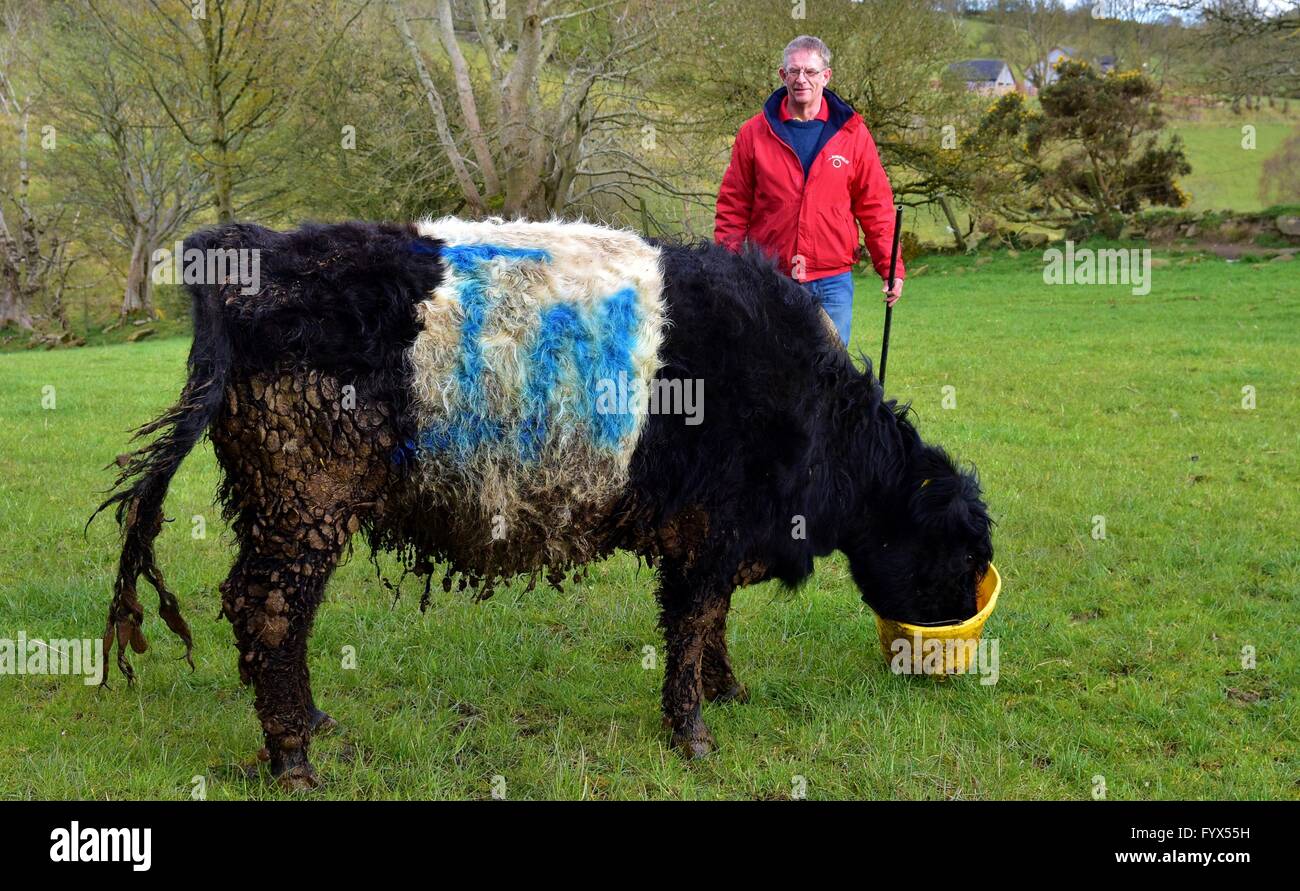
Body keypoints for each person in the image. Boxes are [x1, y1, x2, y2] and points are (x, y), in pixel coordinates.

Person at [714, 35, 904, 346]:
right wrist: (726, 268)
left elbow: (876, 206)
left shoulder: (852, 133)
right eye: (794, 71)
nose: (802, 79)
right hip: (771, 278)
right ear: (782, 75)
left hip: (832, 281)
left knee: (831, 374)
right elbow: (733, 208)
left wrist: (891, 267)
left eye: (811, 72)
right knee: (774, 372)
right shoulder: (754, 134)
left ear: (826, 76)